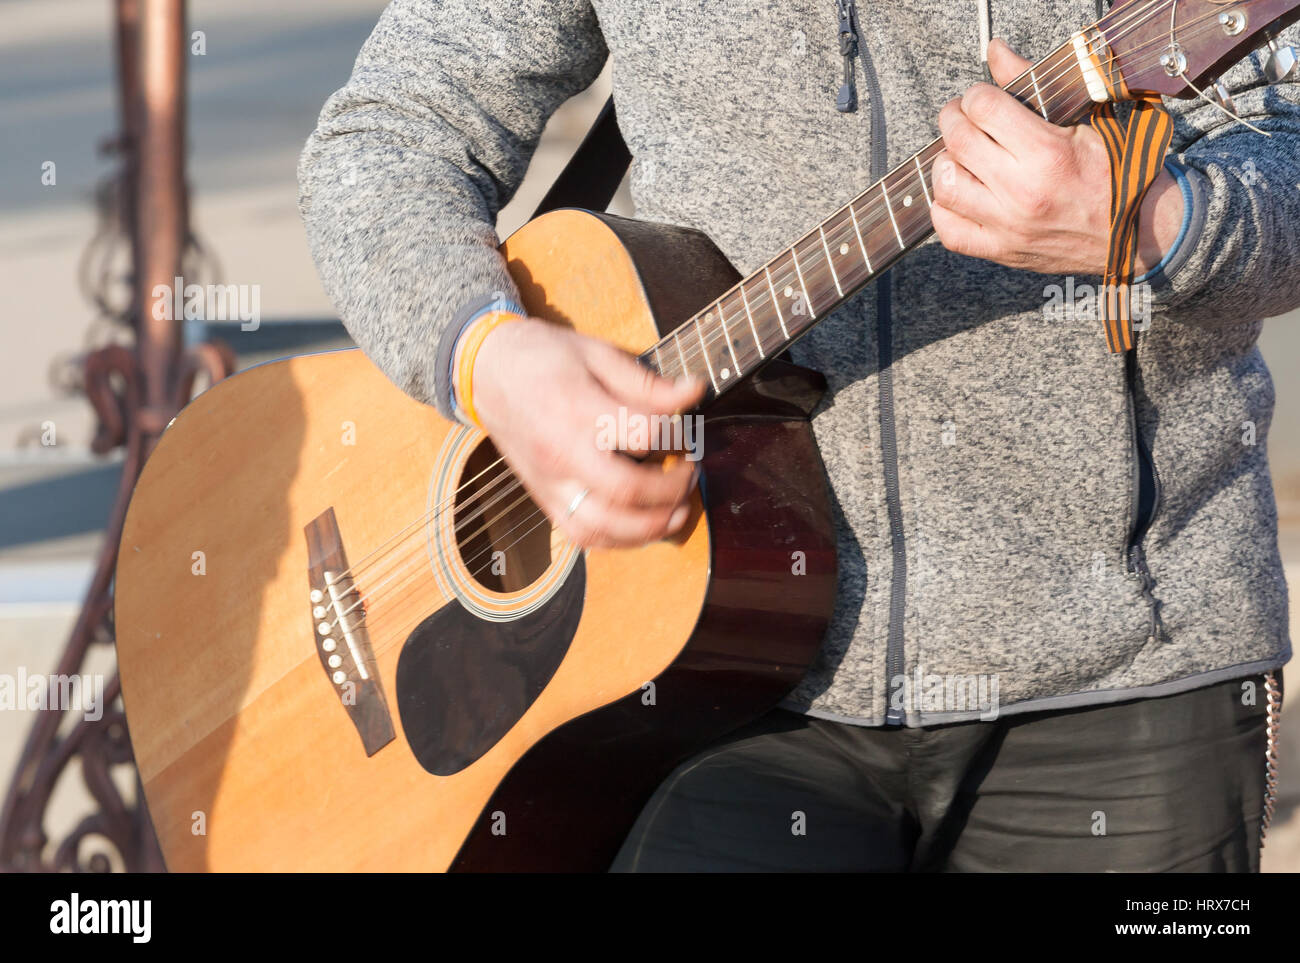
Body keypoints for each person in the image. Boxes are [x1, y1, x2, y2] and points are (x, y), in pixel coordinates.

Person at [298, 0, 1299, 871]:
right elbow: (388, 137)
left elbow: (1282, 140)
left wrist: (1164, 222)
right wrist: (487, 359)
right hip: (706, 676)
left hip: (1130, 677)